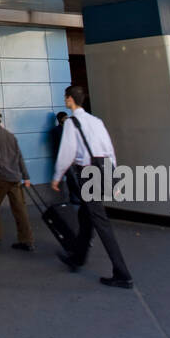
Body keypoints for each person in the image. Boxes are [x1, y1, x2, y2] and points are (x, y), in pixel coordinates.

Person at [52, 86, 134, 289]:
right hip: (102, 168)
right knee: (86, 217)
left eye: (66, 97)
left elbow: (67, 153)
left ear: (70, 99)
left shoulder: (71, 123)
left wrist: (56, 177)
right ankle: (77, 258)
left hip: (87, 173)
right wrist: (114, 178)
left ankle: (122, 273)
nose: (65, 100)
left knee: (99, 220)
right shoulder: (97, 122)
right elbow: (109, 150)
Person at [0, 107, 34, 251]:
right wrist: (26, 176)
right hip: (15, 177)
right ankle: (26, 240)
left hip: (1, 177)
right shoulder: (10, 135)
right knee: (20, 209)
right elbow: (19, 157)